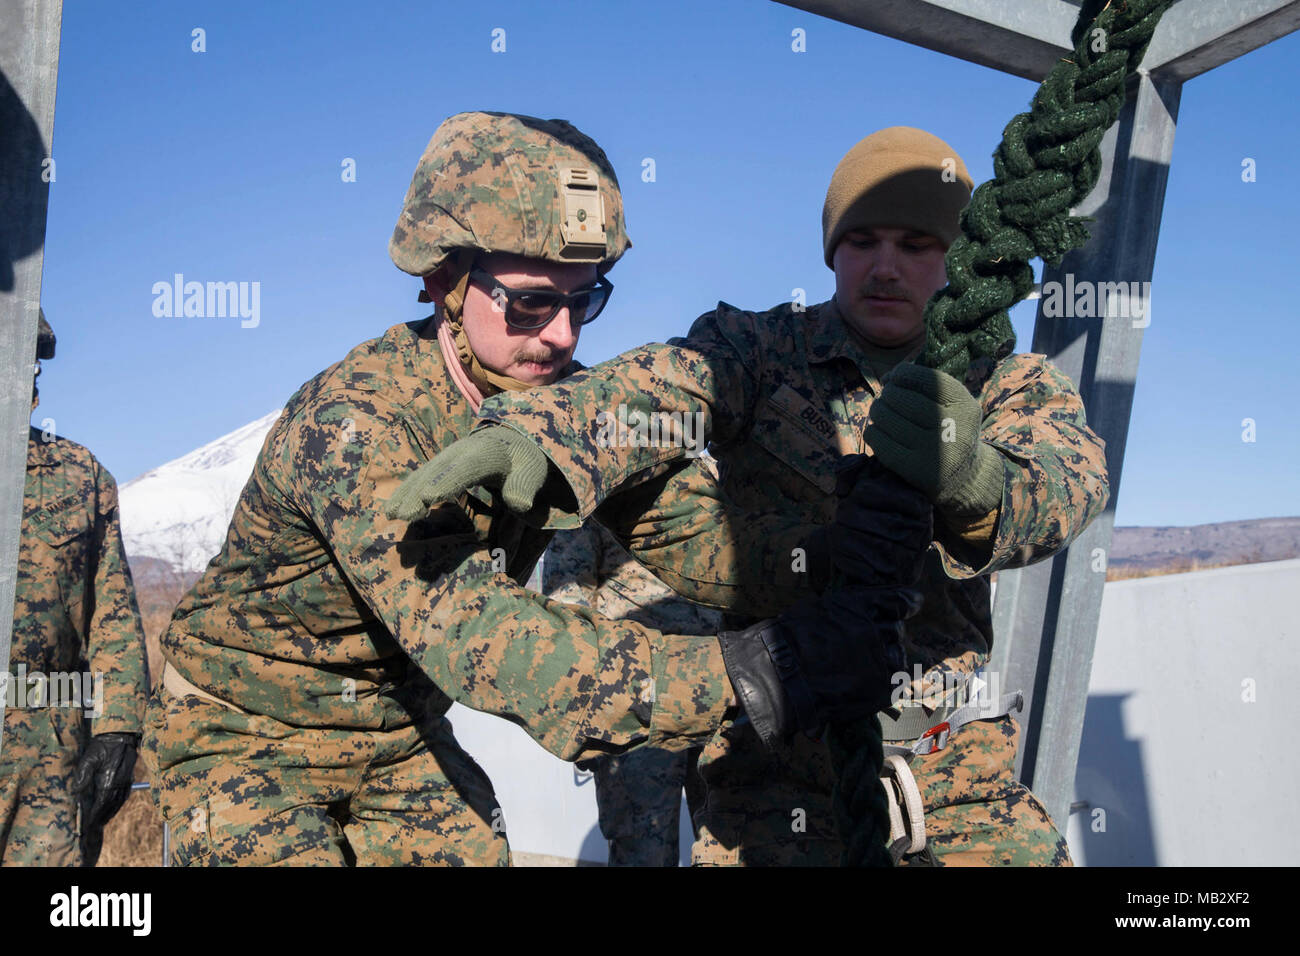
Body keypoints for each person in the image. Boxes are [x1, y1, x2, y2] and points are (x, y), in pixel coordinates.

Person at [142, 111, 927, 866]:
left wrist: (818, 557)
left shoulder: (569, 410)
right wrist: (757, 671)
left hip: (395, 733)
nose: (561, 334)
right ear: (445, 281)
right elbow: (492, 643)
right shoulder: (358, 424)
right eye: (530, 303)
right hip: (244, 731)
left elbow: (694, 532)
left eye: (583, 300)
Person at [390, 126, 1112, 866]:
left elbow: (1070, 482)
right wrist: (543, 431)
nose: (885, 267)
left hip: (954, 775)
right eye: (861, 242)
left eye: (916, 245)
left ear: (953, 257)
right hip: (774, 784)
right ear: (833, 252)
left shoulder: (1002, 384)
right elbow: (665, 386)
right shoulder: (759, 352)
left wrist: (971, 474)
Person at [1, 310, 150, 867]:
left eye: (29, 365)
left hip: (49, 754)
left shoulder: (79, 477)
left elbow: (112, 620)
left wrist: (118, 730)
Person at [541, 494, 722, 867]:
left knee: (731, 845)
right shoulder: (598, 493)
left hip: (724, 700)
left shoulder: (719, 481)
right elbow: (567, 614)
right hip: (640, 714)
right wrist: (590, 715)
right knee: (643, 851)